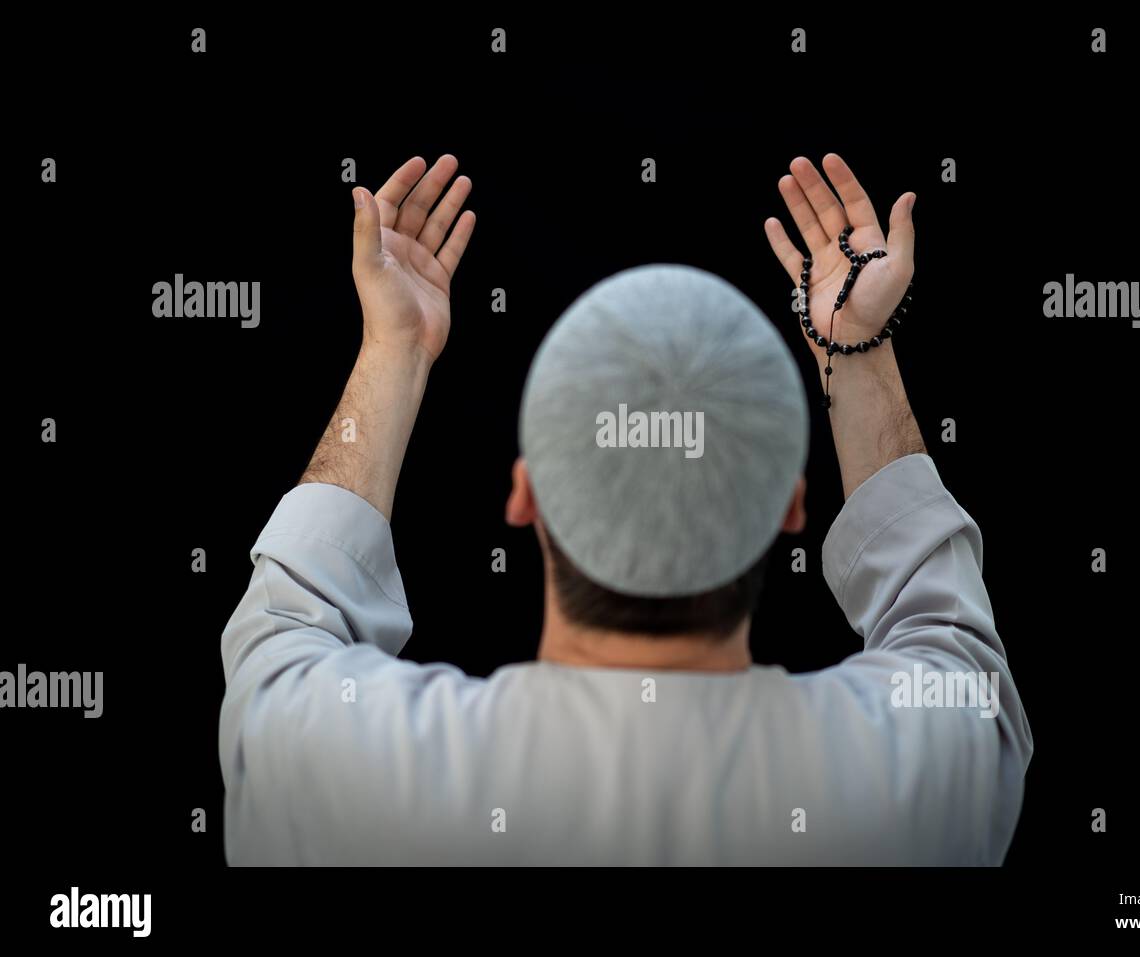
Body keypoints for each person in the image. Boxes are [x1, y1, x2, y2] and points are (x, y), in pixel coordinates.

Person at [218, 152, 1033, 865]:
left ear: (524, 495)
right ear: (793, 508)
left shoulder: (349, 768)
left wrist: (393, 349)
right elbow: (955, 646)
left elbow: (292, 615)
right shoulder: (905, 776)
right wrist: (859, 346)